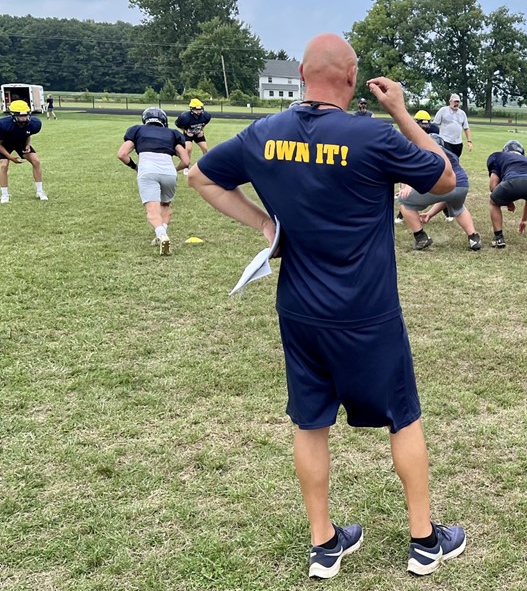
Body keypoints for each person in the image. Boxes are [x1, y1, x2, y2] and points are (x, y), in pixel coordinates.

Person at [188, 33, 466, 579]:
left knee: (310, 421)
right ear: (352, 79)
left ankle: (324, 544)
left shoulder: (263, 132)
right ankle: (424, 541)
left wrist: (264, 224)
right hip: (367, 309)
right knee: (402, 416)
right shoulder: (371, 134)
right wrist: (401, 111)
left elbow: (200, 176)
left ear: (300, 74)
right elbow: (446, 179)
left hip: (301, 308)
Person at [116, 107, 191, 255]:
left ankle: (162, 235)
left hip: (147, 170)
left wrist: (135, 167)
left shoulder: (137, 130)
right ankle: (162, 233)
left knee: (152, 209)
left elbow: (122, 154)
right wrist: (174, 169)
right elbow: (186, 161)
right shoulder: (172, 133)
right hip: (168, 172)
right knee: (165, 204)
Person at [398, 132, 482, 251]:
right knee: (458, 208)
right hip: (462, 185)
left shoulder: (427, 150)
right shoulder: (450, 154)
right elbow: (446, 196)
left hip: (443, 183)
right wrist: (430, 214)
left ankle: (420, 237)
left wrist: (408, 185)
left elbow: (420, 168)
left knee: (404, 201)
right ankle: (473, 238)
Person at [0, 100, 48, 203]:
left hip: (20, 142)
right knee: (3, 165)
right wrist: (10, 157)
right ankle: (4, 194)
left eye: (26, 115)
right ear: (13, 115)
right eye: (21, 116)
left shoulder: (34, 123)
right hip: (4, 144)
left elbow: (27, 133)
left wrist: (27, 145)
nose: (24, 118)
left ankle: (40, 191)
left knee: (36, 161)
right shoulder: (3, 125)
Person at [176, 98, 212, 175]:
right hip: (188, 134)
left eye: (200, 109)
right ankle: (186, 167)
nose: (198, 111)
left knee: (205, 149)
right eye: (196, 109)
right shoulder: (185, 117)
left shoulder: (206, 115)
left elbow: (204, 123)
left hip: (198, 133)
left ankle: (206, 165)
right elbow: (178, 124)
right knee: (188, 149)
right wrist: (186, 131)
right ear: (191, 109)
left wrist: (201, 130)